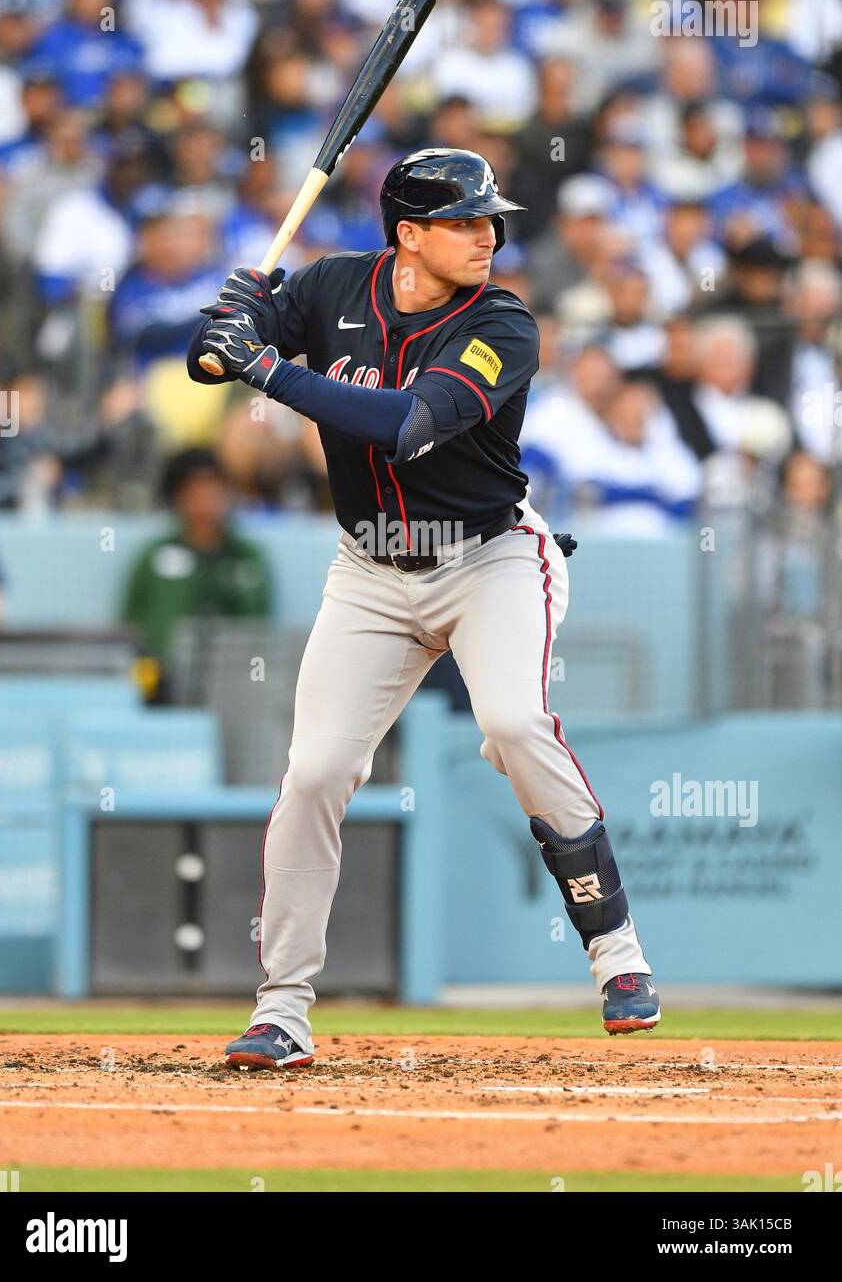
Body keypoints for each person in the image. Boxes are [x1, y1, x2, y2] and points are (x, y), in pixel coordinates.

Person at [188, 147, 659, 1069]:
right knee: (317, 772)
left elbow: (407, 425)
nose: (488, 235)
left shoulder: (506, 323)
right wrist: (231, 319)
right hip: (368, 573)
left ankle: (618, 956)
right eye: (466, 221)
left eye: (490, 220)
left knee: (515, 725)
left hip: (488, 560)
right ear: (408, 234)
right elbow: (206, 362)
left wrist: (266, 371)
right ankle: (281, 1010)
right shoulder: (330, 287)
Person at [121, 447, 272, 692]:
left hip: (234, 685)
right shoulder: (153, 558)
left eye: (214, 488)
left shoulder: (248, 559)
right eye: (195, 491)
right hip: (162, 685)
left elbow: (258, 633)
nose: (206, 500)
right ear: (177, 497)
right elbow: (129, 631)